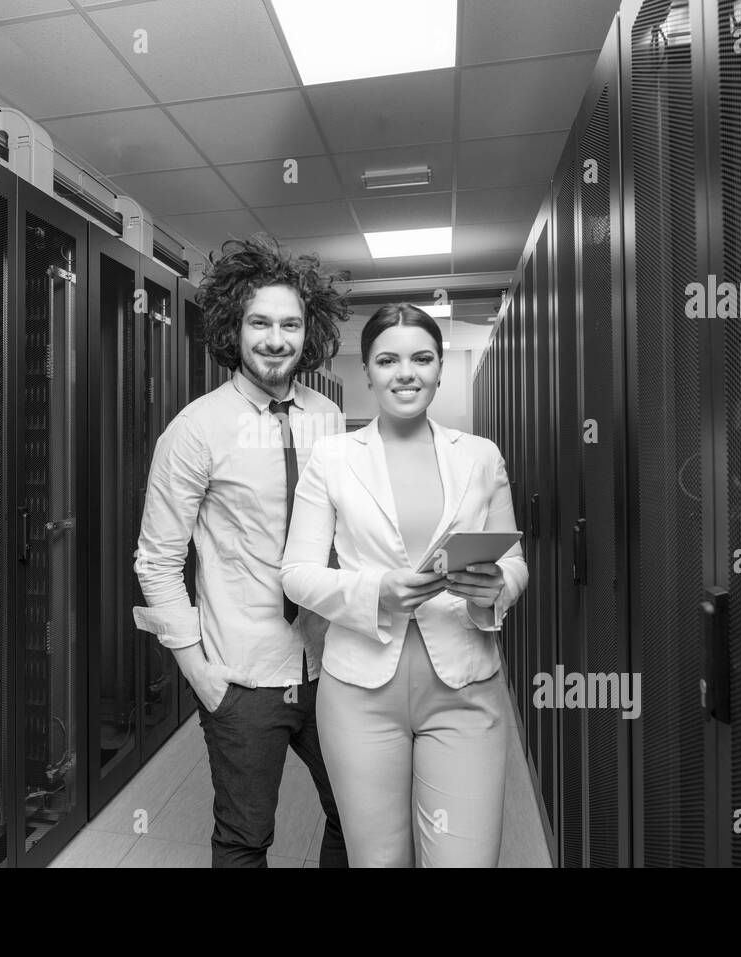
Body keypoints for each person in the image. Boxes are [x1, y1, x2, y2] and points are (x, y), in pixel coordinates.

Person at [279, 303, 529, 867]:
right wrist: (375, 592)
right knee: (379, 860)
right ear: (366, 372)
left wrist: (498, 587)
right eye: (387, 360)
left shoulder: (481, 456)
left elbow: (513, 558)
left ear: (441, 368)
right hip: (361, 694)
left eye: (422, 358)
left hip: (465, 690)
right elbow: (295, 575)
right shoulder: (333, 457)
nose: (406, 372)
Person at [133, 235, 351, 867]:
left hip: (332, 664)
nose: (276, 339)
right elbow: (156, 559)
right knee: (244, 841)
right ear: (235, 327)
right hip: (245, 676)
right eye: (261, 322)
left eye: (291, 323)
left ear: (309, 331)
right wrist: (200, 673)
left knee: (355, 817)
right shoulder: (195, 429)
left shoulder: (329, 419)